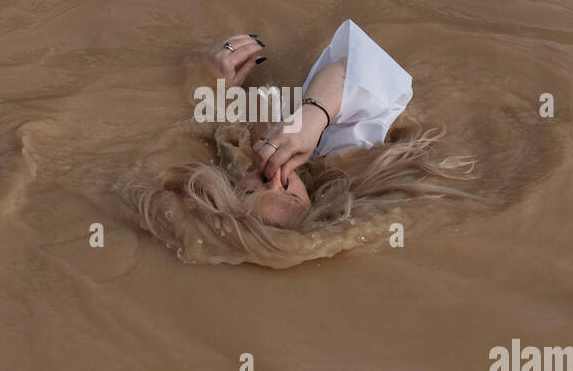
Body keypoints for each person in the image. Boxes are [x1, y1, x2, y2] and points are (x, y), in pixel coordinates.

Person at [125, 20, 475, 266]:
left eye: (252, 190)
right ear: (313, 202)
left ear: (229, 193)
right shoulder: (337, 152)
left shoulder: (219, 149)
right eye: (291, 194)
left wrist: (206, 80)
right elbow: (365, 69)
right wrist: (314, 116)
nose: (275, 175)